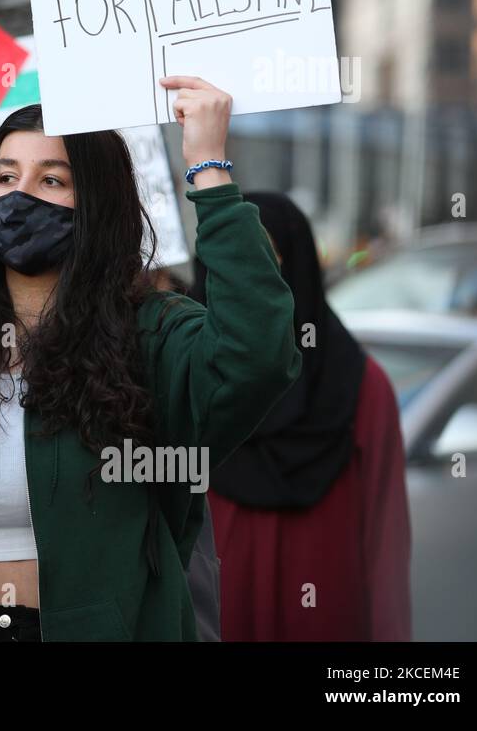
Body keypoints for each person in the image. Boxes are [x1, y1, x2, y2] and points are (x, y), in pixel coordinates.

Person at [0, 76, 301, 641]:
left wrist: (208, 168)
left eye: (52, 179)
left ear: (97, 203)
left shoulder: (151, 334)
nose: (20, 195)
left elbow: (257, 354)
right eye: (6, 177)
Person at [189, 192, 412, 641]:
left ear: (301, 269)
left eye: (268, 259)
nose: (255, 285)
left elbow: (386, 547)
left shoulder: (363, 389)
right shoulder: (182, 379)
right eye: (238, 263)